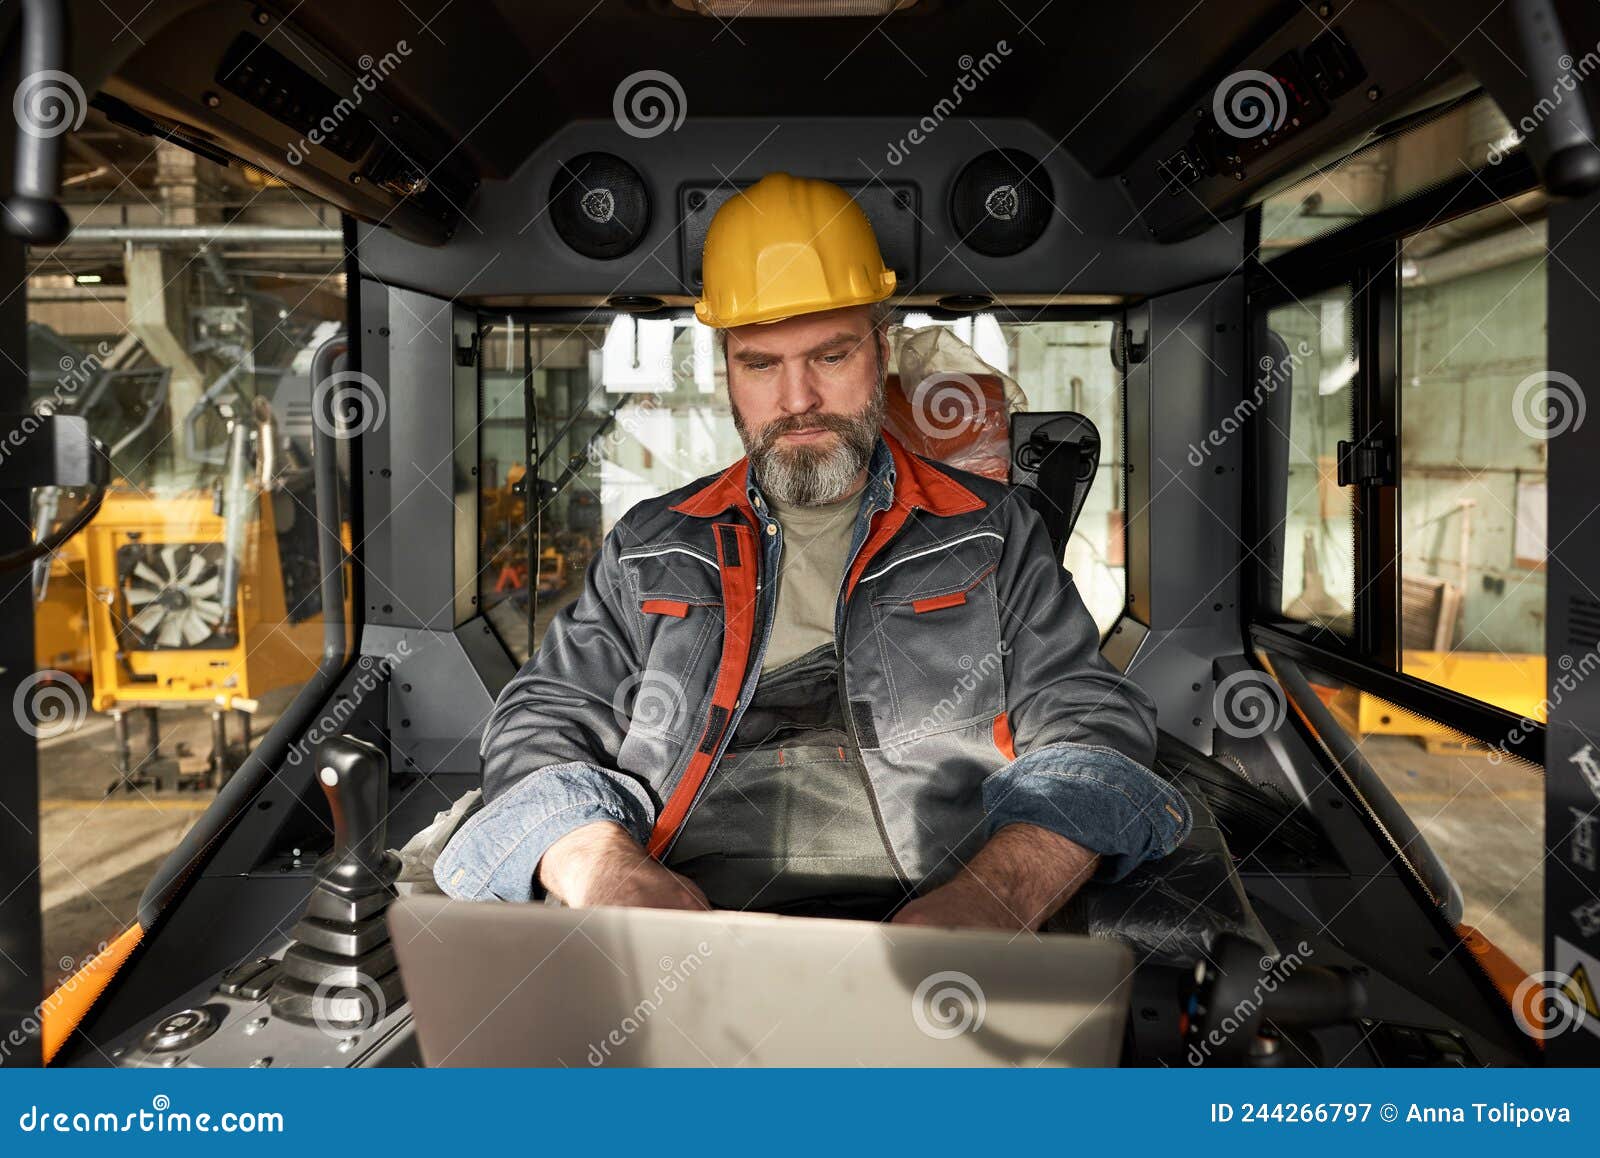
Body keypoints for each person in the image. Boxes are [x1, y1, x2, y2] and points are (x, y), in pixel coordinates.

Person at [435, 172, 1189, 931]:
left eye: (830, 356)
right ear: (726, 371)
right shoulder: (649, 544)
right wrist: (604, 871)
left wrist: (995, 898)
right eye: (760, 364)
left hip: (932, 916)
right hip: (676, 930)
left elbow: (1089, 720)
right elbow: (543, 716)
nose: (796, 400)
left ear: (880, 351)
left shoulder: (992, 531)